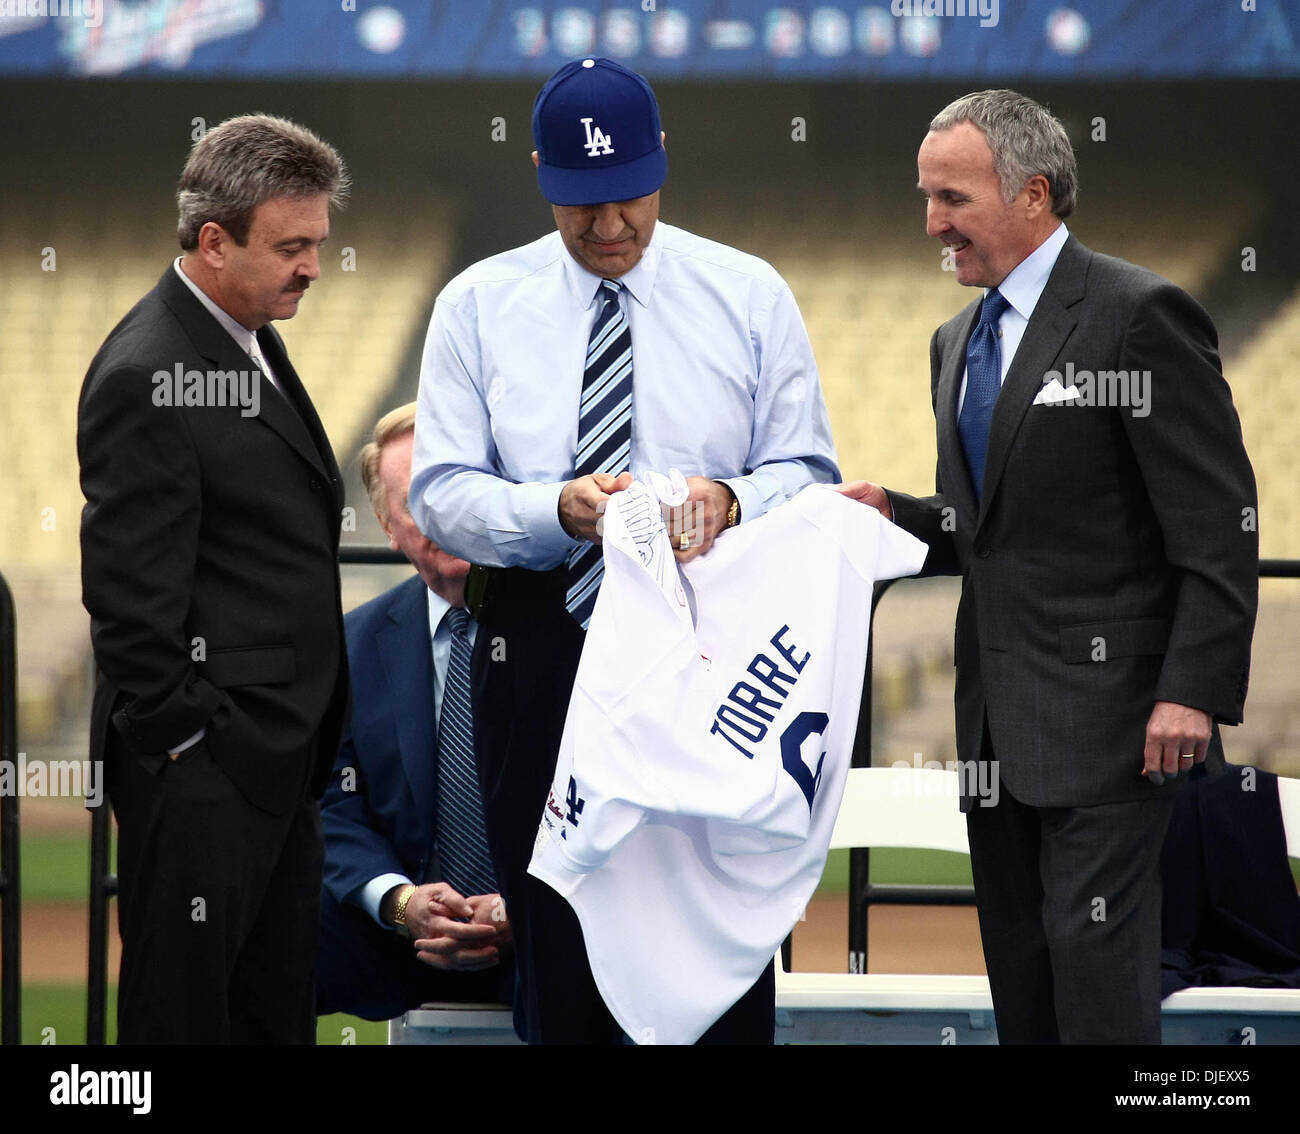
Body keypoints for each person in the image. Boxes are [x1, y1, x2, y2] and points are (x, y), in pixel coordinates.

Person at [409, 57, 839, 1043]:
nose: (608, 228)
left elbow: (809, 470)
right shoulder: (476, 305)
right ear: (537, 175)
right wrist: (552, 509)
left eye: (627, 200)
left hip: (712, 654)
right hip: (540, 643)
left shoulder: (748, 293)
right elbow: (440, 493)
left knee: (715, 919)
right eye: (580, 205)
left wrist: (727, 498)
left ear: (662, 167)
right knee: (558, 923)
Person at [838, 89, 1258, 1044]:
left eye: (952, 199)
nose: (932, 224)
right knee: (1024, 990)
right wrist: (895, 515)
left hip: (1116, 731)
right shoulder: (955, 342)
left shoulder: (1139, 315)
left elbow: (1218, 528)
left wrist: (1190, 692)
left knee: (1100, 990)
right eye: (926, 197)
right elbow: (982, 526)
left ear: (1033, 195)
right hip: (995, 733)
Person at [78, 114, 351, 1043]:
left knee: (270, 1016)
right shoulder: (147, 371)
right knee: (182, 1022)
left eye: (318, 242)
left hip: (272, 766)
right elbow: (127, 603)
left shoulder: (241, 333)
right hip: (208, 776)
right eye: (293, 246)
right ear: (212, 241)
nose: (313, 265)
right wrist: (193, 744)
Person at [317, 403, 514, 1021]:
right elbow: (330, 805)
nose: (444, 519)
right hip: (404, 936)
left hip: (545, 928)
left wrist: (515, 910)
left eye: (454, 493)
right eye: (418, 502)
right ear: (385, 523)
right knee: (249, 937)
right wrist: (401, 903)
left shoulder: (574, 625)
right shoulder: (351, 645)